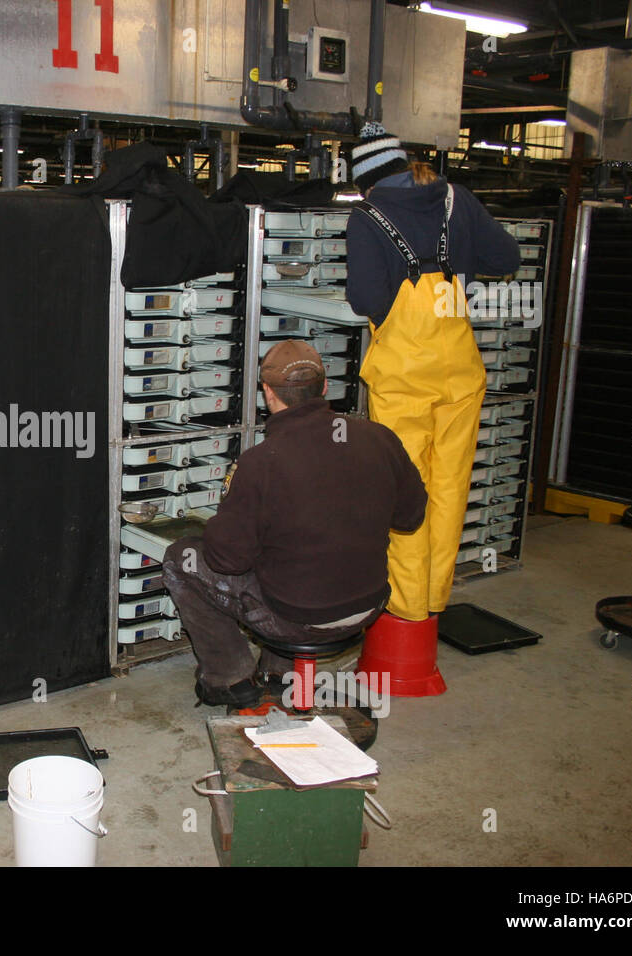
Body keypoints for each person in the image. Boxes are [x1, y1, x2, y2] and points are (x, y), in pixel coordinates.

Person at [346, 122, 521, 681]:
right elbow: (508, 257)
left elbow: (365, 298)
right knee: (449, 488)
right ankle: (433, 604)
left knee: (404, 495)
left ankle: (402, 611)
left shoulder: (368, 216)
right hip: (460, 372)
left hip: (404, 378)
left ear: (367, 182)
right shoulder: (456, 198)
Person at [162, 340, 428, 708]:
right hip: (369, 606)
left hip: (298, 618)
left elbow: (227, 561)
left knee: (181, 557)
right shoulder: (379, 438)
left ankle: (229, 678)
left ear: (267, 393)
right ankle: (279, 673)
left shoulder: (261, 462)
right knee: (292, 559)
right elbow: (411, 517)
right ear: (324, 387)